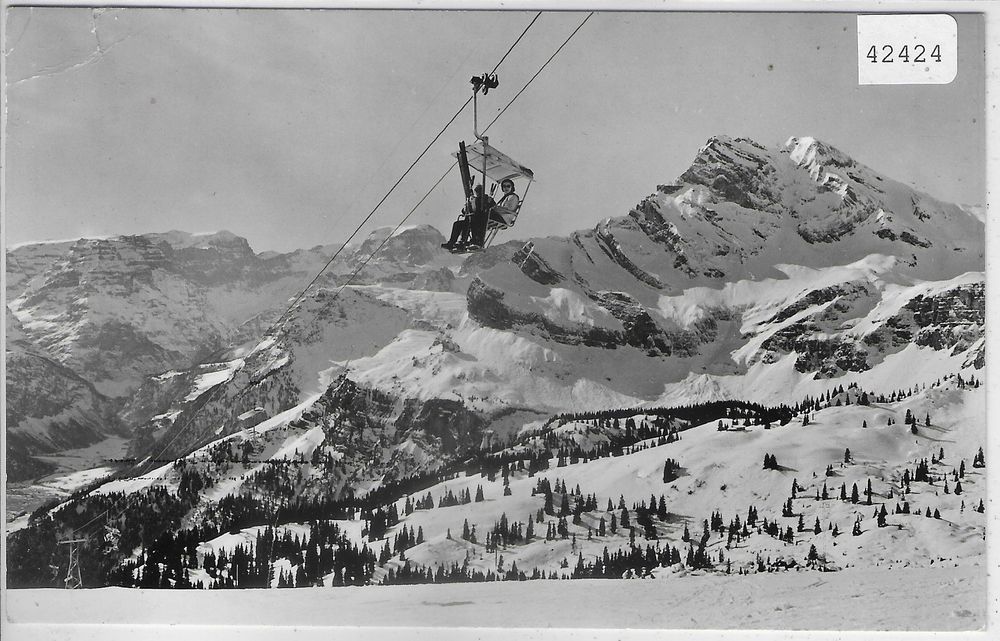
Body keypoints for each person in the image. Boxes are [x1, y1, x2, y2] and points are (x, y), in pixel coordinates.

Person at [442, 183, 495, 250]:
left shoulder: (486, 198)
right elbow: (465, 211)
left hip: (480, 219)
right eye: (477, 191)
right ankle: (451, 243)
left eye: (479, 191)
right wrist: (467, 206)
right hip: (472, 219)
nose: (478, 193)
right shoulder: (473, 200)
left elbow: (492, 206)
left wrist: (488, 204)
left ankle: (464, 241)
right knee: (457, 224)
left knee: (469, 221)